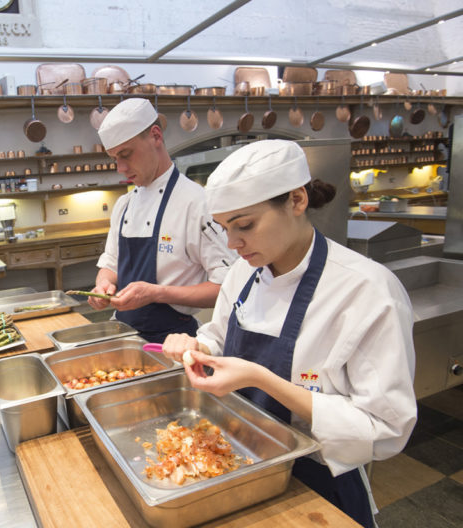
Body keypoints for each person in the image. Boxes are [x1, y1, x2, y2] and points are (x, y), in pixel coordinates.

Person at [161, 140, 417, 528]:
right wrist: (196, 346)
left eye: (244, 225)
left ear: (297, 200)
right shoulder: (244, 272)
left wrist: (262, 379)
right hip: (236, 463)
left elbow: (385, 428)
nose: (233, 243)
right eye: (225, 228)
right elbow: (219, 333)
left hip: (317, 484)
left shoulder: (366, 292)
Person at [88, 97, 236, 343]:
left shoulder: (196, 203)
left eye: (126, 154)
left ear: (156, 136)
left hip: (174, 342)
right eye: (115, 158)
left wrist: (157, 294)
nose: (121, 168)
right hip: (125, 336)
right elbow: (111, 264)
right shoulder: (124, 205)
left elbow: (228, 287)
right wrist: (102, 286)